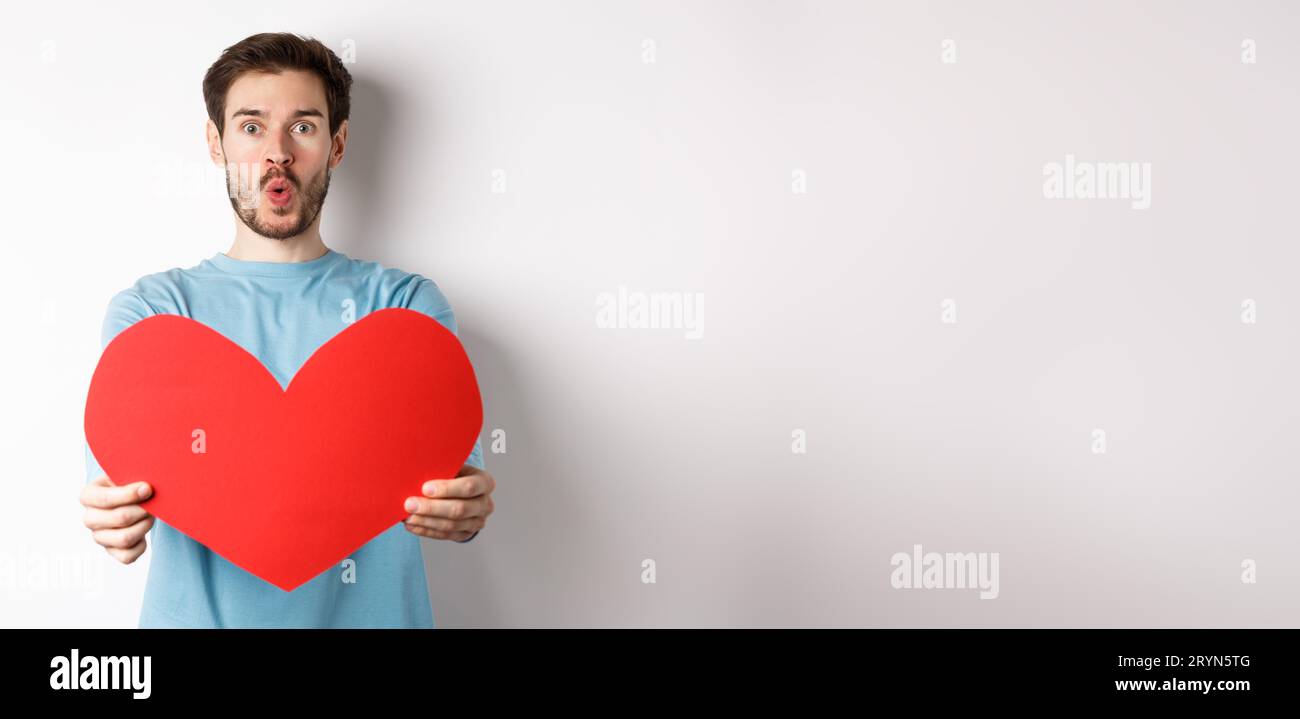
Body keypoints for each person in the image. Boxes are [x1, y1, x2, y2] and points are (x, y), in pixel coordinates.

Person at [78, 32, 495, 628]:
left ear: (338, 144)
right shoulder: (152, 316)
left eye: (302, 127)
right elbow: (116, 493)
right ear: (217, 144)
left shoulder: (405, 310)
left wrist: (465, 511)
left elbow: (455, 484)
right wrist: (112, 522)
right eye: (251, 127)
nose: (277, 153)